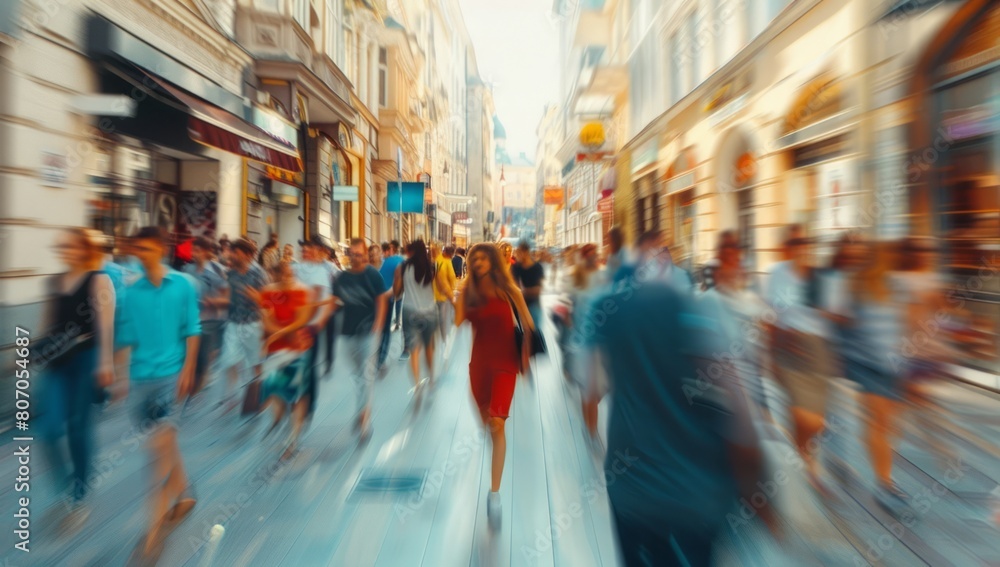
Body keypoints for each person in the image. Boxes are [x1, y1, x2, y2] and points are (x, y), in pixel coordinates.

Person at [586, 265, 772, 566]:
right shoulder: (697, 326)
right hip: (692, 501)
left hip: (631, 493)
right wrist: (760, 497)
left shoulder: (617, 327)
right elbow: (741, 421)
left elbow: (592, 385)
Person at [117, 227, 200, 554]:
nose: (141, 255)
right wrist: (120, 376)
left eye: (148, 250)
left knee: (156, 451)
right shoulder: (131, 291)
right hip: (141, 378)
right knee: (163, 446)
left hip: (172, 376)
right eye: (138, 249)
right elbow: (125, 337)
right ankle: (185, 490)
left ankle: (153, 531)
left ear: (162, 251)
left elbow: (192, 328)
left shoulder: (182, 285)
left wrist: (190, 369)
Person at [39, 228, 115, 529]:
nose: (66, 251)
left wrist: (107, 363)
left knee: (78, 428)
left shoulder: (98, 280)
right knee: (47, 429)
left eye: (72, 246)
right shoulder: (54, 282)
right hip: (57, 361)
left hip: (87, 359)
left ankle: (79, 494)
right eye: (63, 246)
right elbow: (46, 325)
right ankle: (64, 487)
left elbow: (106, 326)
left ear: (84, 249)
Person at [454, 243, 534, 528]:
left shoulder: (510, 291)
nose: (477, 261)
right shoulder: (470, 292)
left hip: (505, 365)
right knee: (488, 424)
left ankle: (495, 493)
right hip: (479, 367)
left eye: (482, 257)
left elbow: (529, 324)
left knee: (498, 423)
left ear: (493, 262)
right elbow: (457, 321)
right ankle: (495, 455)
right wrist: (461, 293)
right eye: (473, 258)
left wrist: (525, 357)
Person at [764, 230, 836, 494]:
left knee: (816, 419)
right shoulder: (777, 274)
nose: (801, 247)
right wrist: (771, 353)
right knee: (799, 413)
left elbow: (830, 314)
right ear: (786, 247)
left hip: (817, 349)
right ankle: (810, 468)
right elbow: (769, 316)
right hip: (788, 348)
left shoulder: (819, 276)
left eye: (805, 242)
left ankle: (803, 459)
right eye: (794, 242)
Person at [254, 259, 319, 459]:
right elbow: (266, 324)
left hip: (296, 350)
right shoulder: (268, 292)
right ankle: (287, 431)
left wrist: (276, 330)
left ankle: (292, 439)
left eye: (289, 274)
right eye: (282, 275)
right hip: (276, 350)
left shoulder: (301, 292)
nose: (287, 278)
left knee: (296, 395)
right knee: (278, 393)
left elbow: (297, 323)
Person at [331, 239, 389, 440]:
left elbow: (381, 300)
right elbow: (334, 302)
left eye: (359, 253)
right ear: (348, 254)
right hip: (347, 333)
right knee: (357, 375)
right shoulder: (342, 278)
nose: (356, 257)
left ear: (364, 254)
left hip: (369, 332)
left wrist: (378, 326)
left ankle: (364, 419)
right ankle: (362, 406)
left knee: (366, 375)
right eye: (352, 254)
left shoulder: (372, 275)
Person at [215, 238, 268, 411]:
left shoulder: (259, 274)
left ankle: (258, 393)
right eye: (231, 252)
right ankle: (230, 397)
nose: (231, 255)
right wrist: (216, 302)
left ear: (247, 255)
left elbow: (268, 301)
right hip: (233, 323)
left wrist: (258, 299)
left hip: (253, 324)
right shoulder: (231, 273)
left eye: (235, 252)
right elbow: (228, 297)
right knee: (228, 360)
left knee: (255, 362)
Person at [183, 237, 229, 397]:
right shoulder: (188, 269)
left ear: (205, 251)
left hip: (210, 319)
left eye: (197, 250)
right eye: (192, 250)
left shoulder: (216, 270)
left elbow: (226, 296)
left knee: (203, 355)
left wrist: (213, 301)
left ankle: (199, 382)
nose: (194, 254)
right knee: (190, 353)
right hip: (191, 318)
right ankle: (195, 381)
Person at [394, 241, 440, 400]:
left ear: (411, 251)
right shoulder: (432, 267)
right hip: (429, 311)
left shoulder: (403, 267)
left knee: (413, 350)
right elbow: (436, 288)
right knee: (428, 348)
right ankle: (431, 379)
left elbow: (397, 291)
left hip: (409, 312)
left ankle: (417, 384)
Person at [377, 240, 406, 371]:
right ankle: (380, 358)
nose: (383, 253)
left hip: (382, 297)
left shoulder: (386, 261)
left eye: (385, 251)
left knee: (381, 328)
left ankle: (379, 357)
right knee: (383, 328)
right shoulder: (398, 260)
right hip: (388, 295)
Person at [511, 240, 546, 351]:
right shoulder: (516, 267)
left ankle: (533, 353)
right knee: (525, 334)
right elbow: (515, 287)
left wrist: (523, 291)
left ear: (526, 252)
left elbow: (539, 289)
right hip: (521, 304)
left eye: (520, 252)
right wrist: (525, 291)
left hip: (534, 304)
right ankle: (527, 356)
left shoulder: (537, 267)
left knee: (534, 331)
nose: (518, 255)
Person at [431, 242, 457, 342]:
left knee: (438, 318)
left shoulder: (437, 259)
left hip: (435, 294)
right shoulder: (446, 262)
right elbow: (451, 277)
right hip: (445, 295)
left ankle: (436, 339)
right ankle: (444, 340)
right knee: (444, 320)